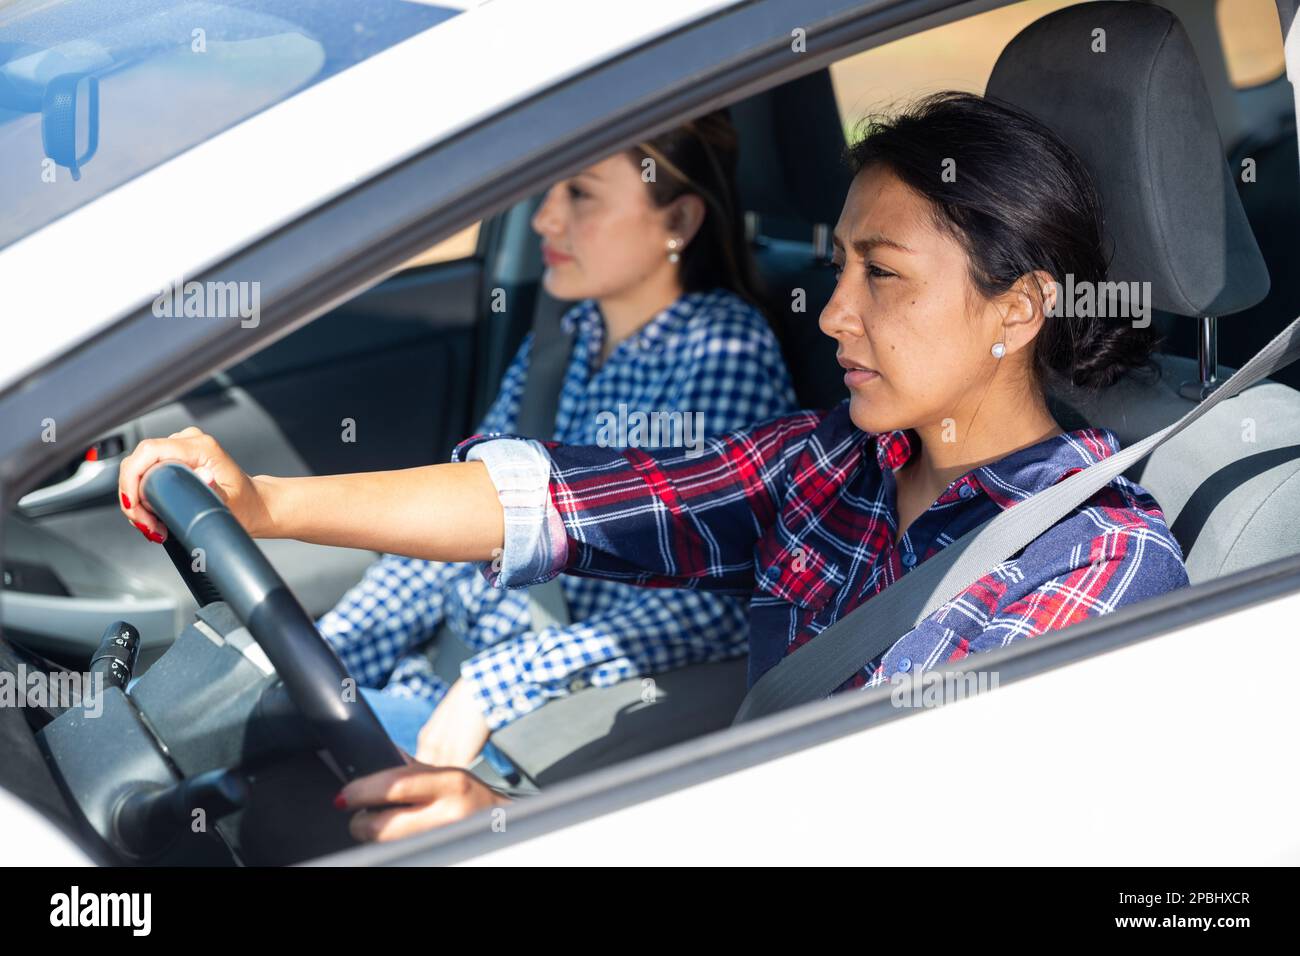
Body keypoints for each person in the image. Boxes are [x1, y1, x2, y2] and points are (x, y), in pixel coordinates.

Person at [117, 92, 1190, 843]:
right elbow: (553, 500)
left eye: (883, 274)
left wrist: (520, 826)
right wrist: (268, 504)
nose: (834, 311)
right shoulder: (831, 461)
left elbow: (873, 818)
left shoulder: (1094, 565)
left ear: (1018, 307)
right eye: (837, 267)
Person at [313, 110, 797, 767]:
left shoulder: (722, 349)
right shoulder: (563, 342)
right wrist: (327, 652)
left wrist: (493, 686)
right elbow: (451, 535)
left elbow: (718, 603)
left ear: (678, 223)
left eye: (581, 194)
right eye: (551, 189)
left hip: (539, 726)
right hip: (438, 688)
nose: (544, 219)